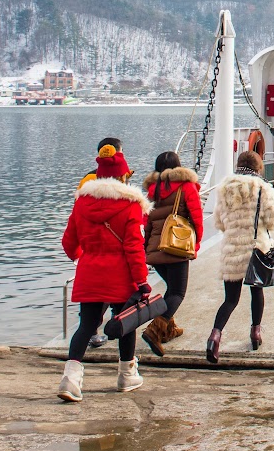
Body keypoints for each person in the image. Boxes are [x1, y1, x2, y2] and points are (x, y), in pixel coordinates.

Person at [58, 144, 152, 402]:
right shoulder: (131, 205)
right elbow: (134, 247)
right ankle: (126, 374)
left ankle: (71, 378)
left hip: (89, 270)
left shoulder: (82, 202)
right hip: (121, 273)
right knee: (125, 324)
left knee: (87, 325)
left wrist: (85, 255)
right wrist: (142, 280)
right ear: (123, 177)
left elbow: (69, 243)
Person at [206, 150, 274, 363]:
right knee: (256, 291)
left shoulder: (225, 188)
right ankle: (255, 333)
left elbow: (219, 222)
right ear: (258, 166)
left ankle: (214, 337)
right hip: (256, 248)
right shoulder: (262, 188)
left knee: (230, 299)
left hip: (232, 250)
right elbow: (273, 220)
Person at [139, 150, 203, 357]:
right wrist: (197, 243)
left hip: (155, 250)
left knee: (171, 289)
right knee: (178, 293)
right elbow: (197, 217)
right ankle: (154, 331)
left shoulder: (151, 191)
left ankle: (169, 330)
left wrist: (145, 247)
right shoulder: (186, 187)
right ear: (178, 167)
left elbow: (146, 222)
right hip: (176, 247)